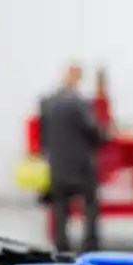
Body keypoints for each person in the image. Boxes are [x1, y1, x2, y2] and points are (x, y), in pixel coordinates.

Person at [39, 63, 107, 252]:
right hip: (81, 165)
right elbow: (93, 130)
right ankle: (90, 245)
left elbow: (42, 133)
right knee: (90, 205)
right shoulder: (79, 103)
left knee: (60, 208)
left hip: (57, 165)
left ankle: (61, 248)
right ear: (76, 77)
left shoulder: (48, 102)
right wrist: (104, 135)